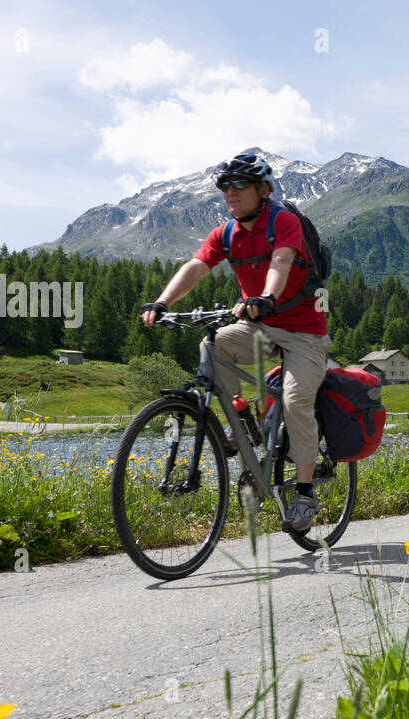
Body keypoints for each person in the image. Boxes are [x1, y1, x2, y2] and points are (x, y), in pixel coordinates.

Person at [138, 153, 329, 533]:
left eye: (239, 185)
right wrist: (162, 302)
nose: (230, 192)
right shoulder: (226, 233)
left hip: (304, 333)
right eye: (225, 186)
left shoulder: (283, 221)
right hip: (259, 327)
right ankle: (243, 420)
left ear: (263, 191)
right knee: (214, 345)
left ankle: (305, 493)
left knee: (295, 401)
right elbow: (196, 266)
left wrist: (266, 296)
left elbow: (281, 261)